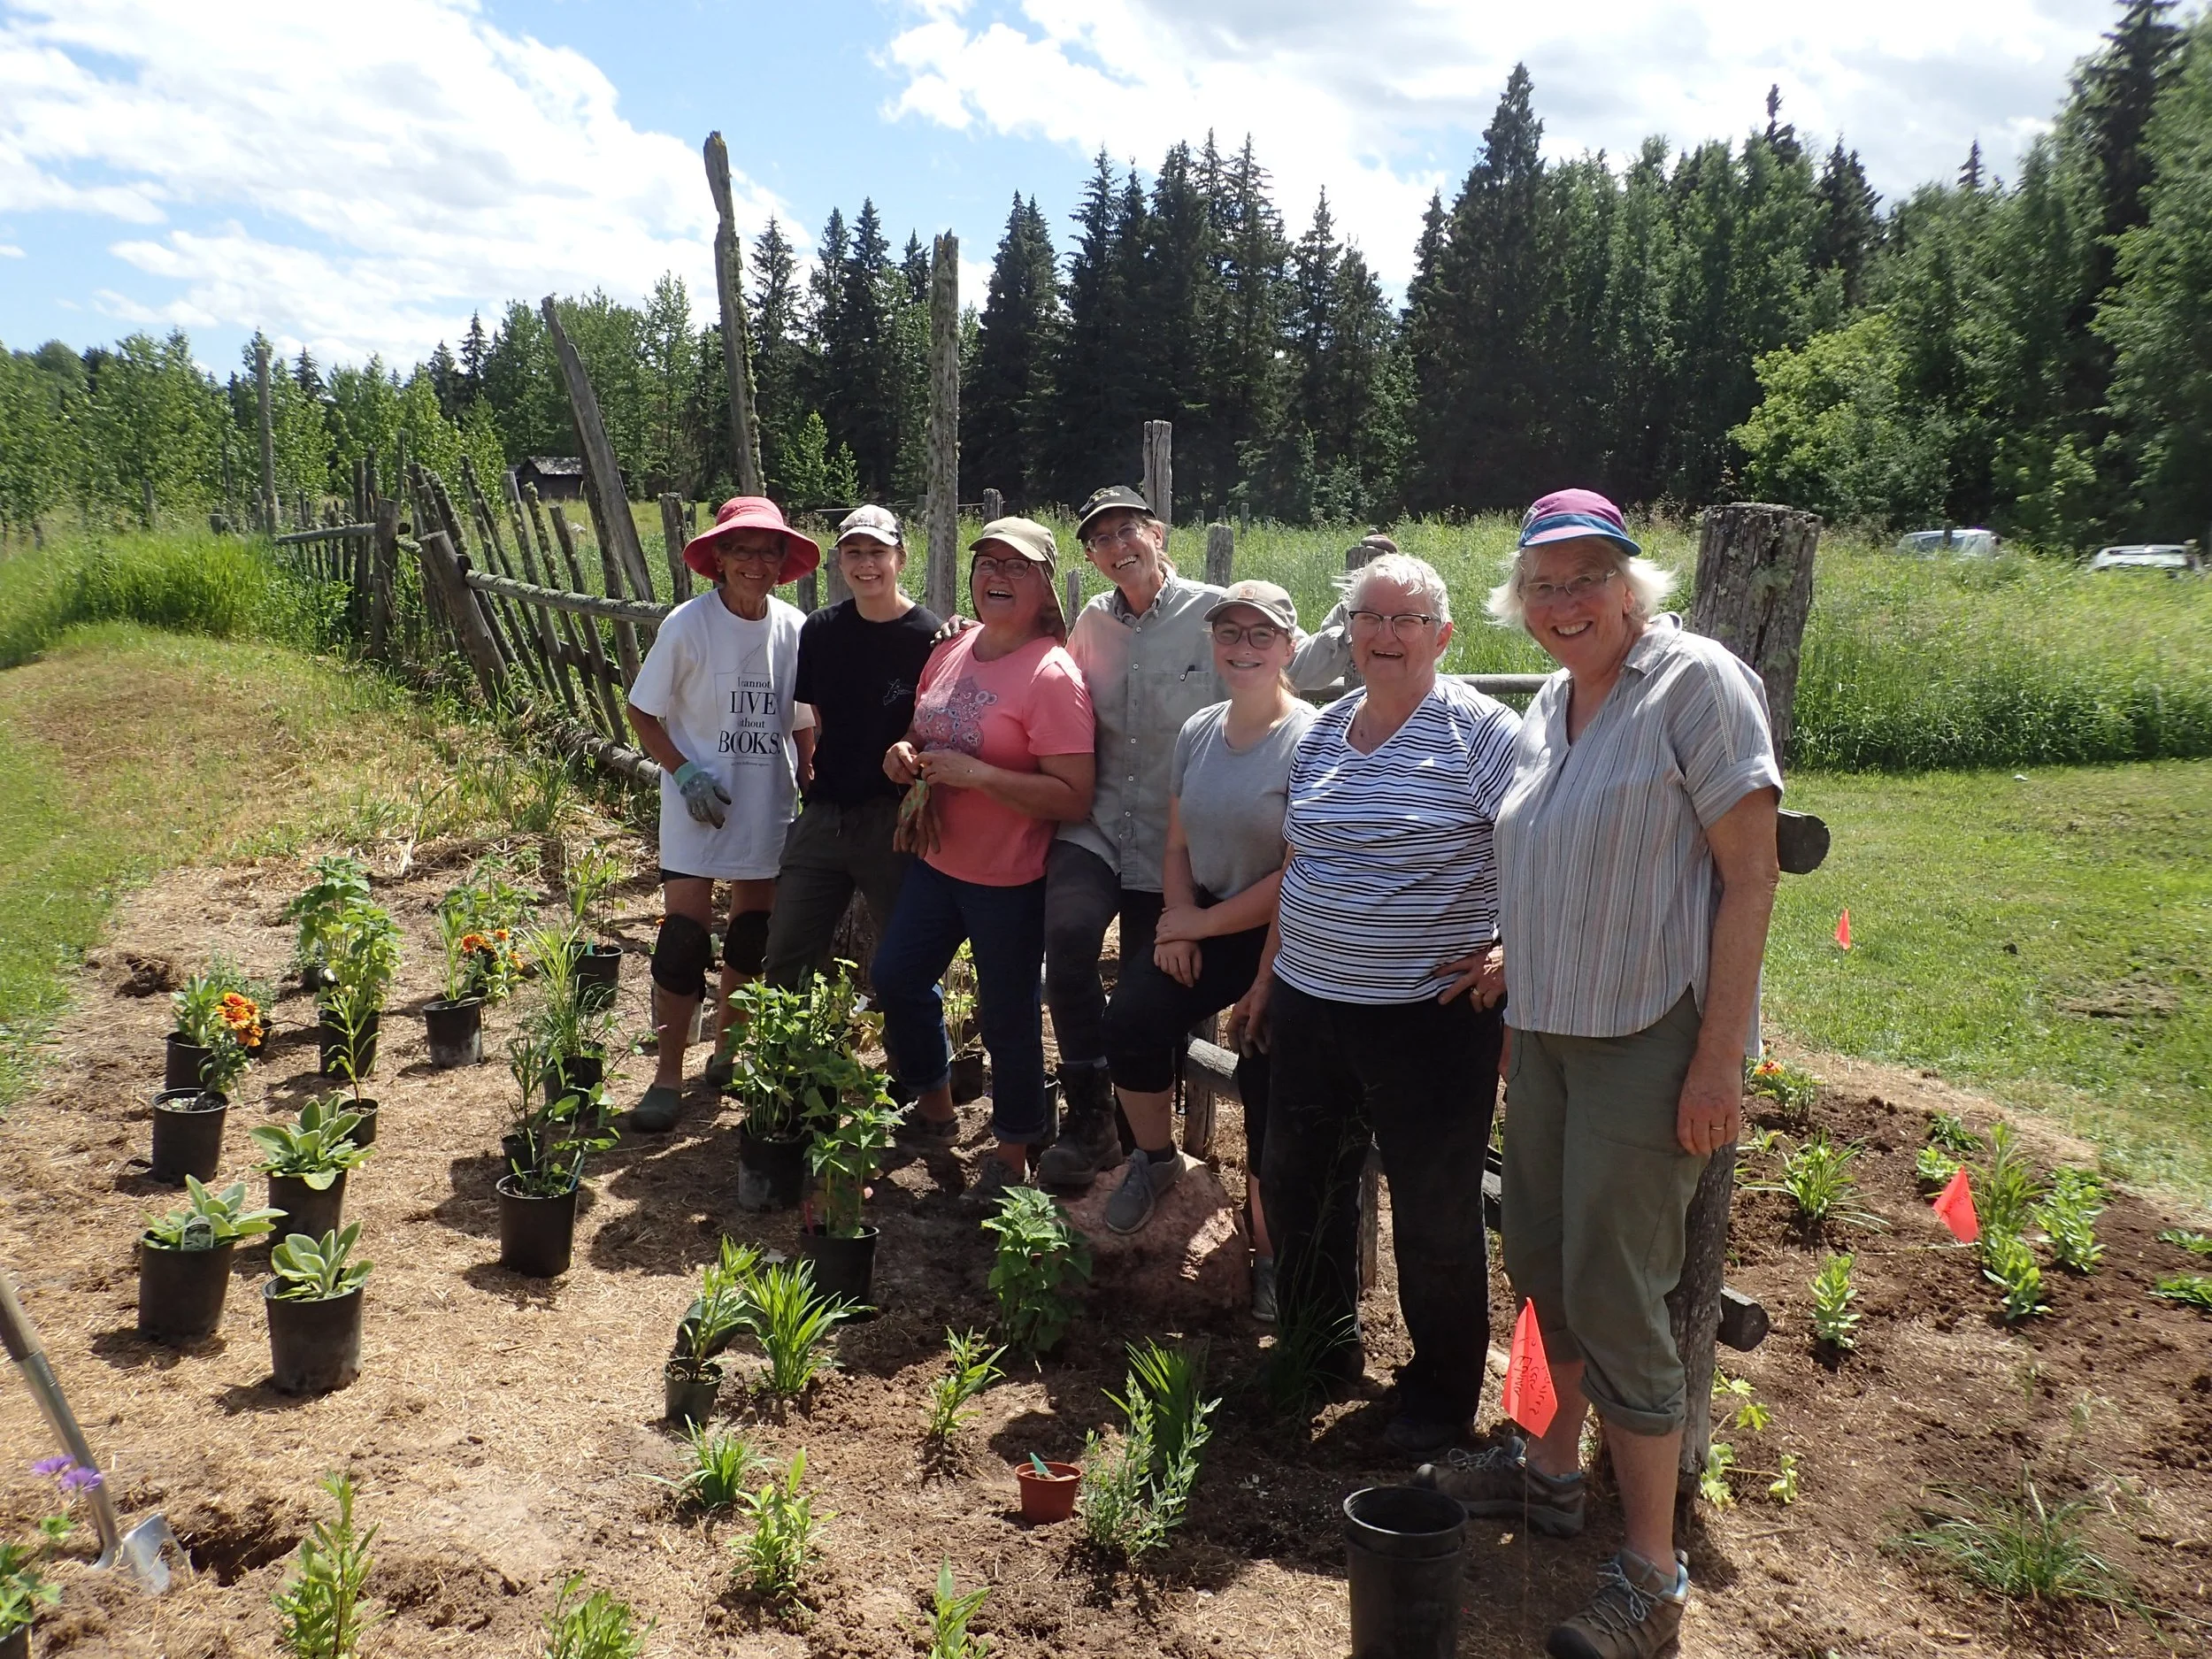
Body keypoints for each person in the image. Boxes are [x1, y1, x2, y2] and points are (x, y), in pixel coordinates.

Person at [1413, 488, 1781, 1659]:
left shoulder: (1695, 682)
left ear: (1632, 580)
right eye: (1543, 584)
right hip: (1556, 1027)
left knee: (1621, 1290)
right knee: (1542, 1259)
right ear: (1520, 602)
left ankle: (1650, 1571)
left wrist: (1718, 1054)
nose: (1565, 602)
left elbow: (1750, 874)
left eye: (1586, 578)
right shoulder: (1554, 708)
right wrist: (1520, 954)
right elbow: (1573, 853)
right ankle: (1546, 1466)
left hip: (1649, 1030)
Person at [1240, 552, 1520, 1459]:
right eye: (1369, 617)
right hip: (1313, 1003)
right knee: (1297, 1180)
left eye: (1406, 620)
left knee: (1435, 1211)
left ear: (1442, 636)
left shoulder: (1482, 735)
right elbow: (1299, 869)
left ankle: (1439, 1400)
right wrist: (1268, 978)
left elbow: (1542, 855)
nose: (1385, 635)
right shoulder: (1320, 735)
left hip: (1428, 1016)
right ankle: (1319, 1351)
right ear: (1347, 633)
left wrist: (1513, 948)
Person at [1098, 581, 1313, 1310]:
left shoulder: (1310, 738)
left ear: (1289, 647)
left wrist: (1195, 926)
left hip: (1285, 932)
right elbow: (1178, 840)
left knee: (1264, 1069)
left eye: (1262, 636)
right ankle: (1155, 1159)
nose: (1243, 649)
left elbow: (1297, 872)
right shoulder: (1200, 730)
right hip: (1210, 912)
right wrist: (1181, 910)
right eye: (1231, 634)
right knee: (1131, 1017)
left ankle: (1271, 1251)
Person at [871, 518, 1096, 1201]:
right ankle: (936, 1109)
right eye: (987, 562)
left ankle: (1013, 1151)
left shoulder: (1053, 675)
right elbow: (920, 727)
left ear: (1044, 584)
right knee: (897, 976)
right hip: (940, 862)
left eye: (1017, 566)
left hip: (1009, 878)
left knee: (1008, 1017)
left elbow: (1074, 795)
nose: (997, 575)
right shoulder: (955, 645)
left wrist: (981, 778)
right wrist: (900, 755)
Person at [1033, 485, 1225, 1192]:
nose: (1118, 547)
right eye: (1102, 539)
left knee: (1153, 991)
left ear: (1158, 533)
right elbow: (1052, 680)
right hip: (1100, 821)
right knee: (1069, 942)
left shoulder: (1213, 612)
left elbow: (1281, 662)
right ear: (1090, 554)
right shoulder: (1092, 620)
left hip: (1174, 840)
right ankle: (1088, 1115)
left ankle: (1140, 1133)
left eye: (1128, 531)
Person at [626, 495, 819, 1133]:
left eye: (769, 551)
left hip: (765, 800)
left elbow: (801, 719)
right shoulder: (688, 626)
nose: (756, 563)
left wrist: (809, 773)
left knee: (750, 934)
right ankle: (665, 1074)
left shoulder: (793, 627)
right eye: (742, 550)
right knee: (682, 940)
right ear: (719, 559)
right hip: (698, 802)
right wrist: (682, 771)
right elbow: (643, 712)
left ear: (783, 562)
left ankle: (728, 1052)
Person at [761, 506, 942, 994]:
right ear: (838, 563)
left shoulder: (931, 637)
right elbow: (821, 714)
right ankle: (788, 1066)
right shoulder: (821, 630)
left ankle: (915, 1069)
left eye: (878, 553)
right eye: (854, 553)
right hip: (825, 813)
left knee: (909, 959)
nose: (866, 564)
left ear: (901, 559)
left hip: (894, 817)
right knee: (785, 951)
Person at [1285, 531, 1400, 691]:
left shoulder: (1277, 651)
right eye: (1235, 632)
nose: (1245, 647)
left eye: (1260, 635)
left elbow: (1298, 663)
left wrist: (1377, 589)